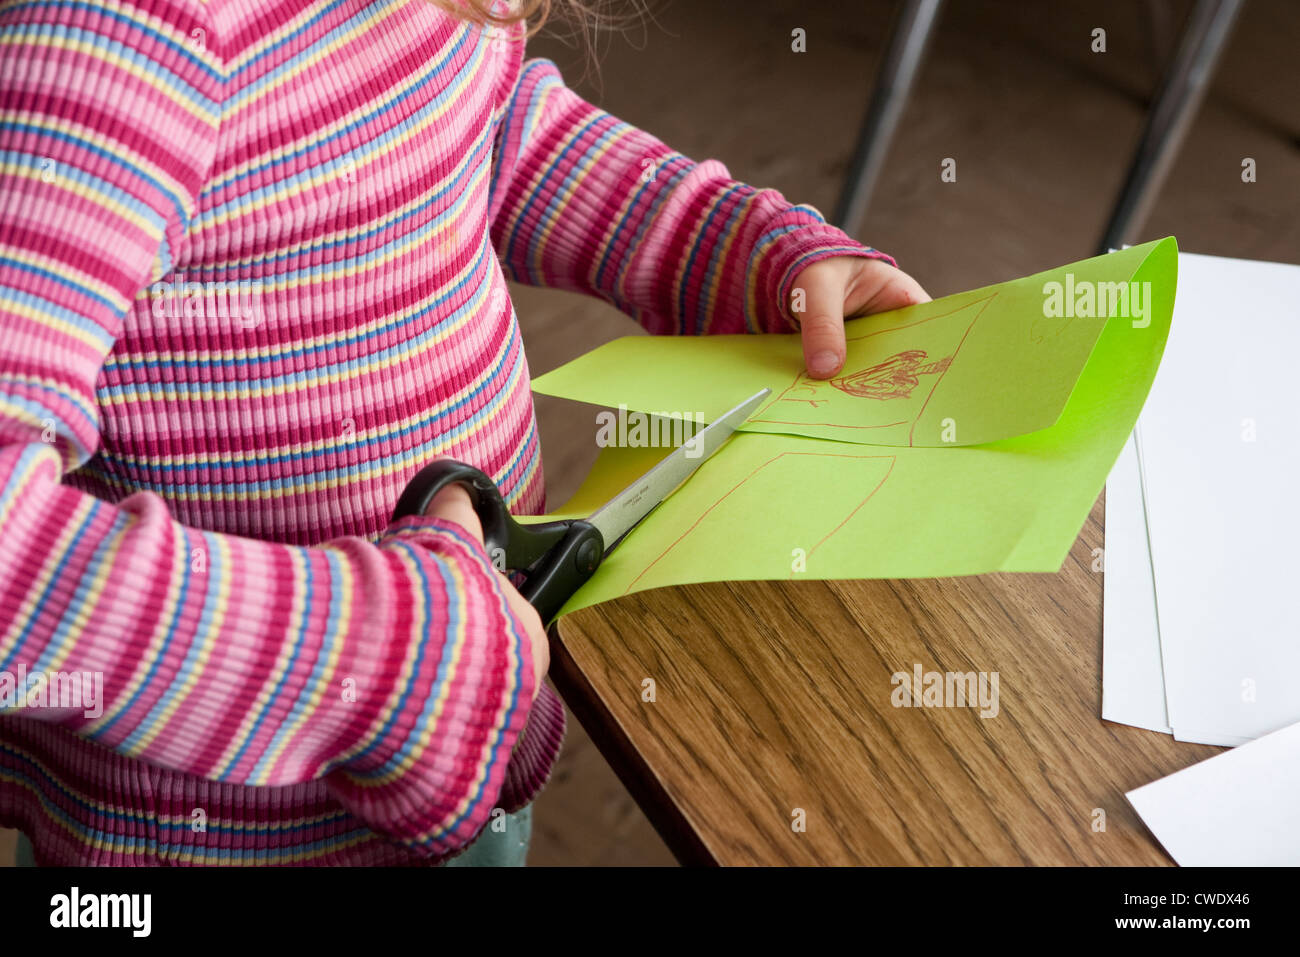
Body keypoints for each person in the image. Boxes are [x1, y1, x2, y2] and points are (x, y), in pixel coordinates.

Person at [0, 0, 928, 865]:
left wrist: (722, 242)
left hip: (472, 731)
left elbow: (483, 132)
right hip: (228, 827)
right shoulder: (112, 47)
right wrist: (386, 665)